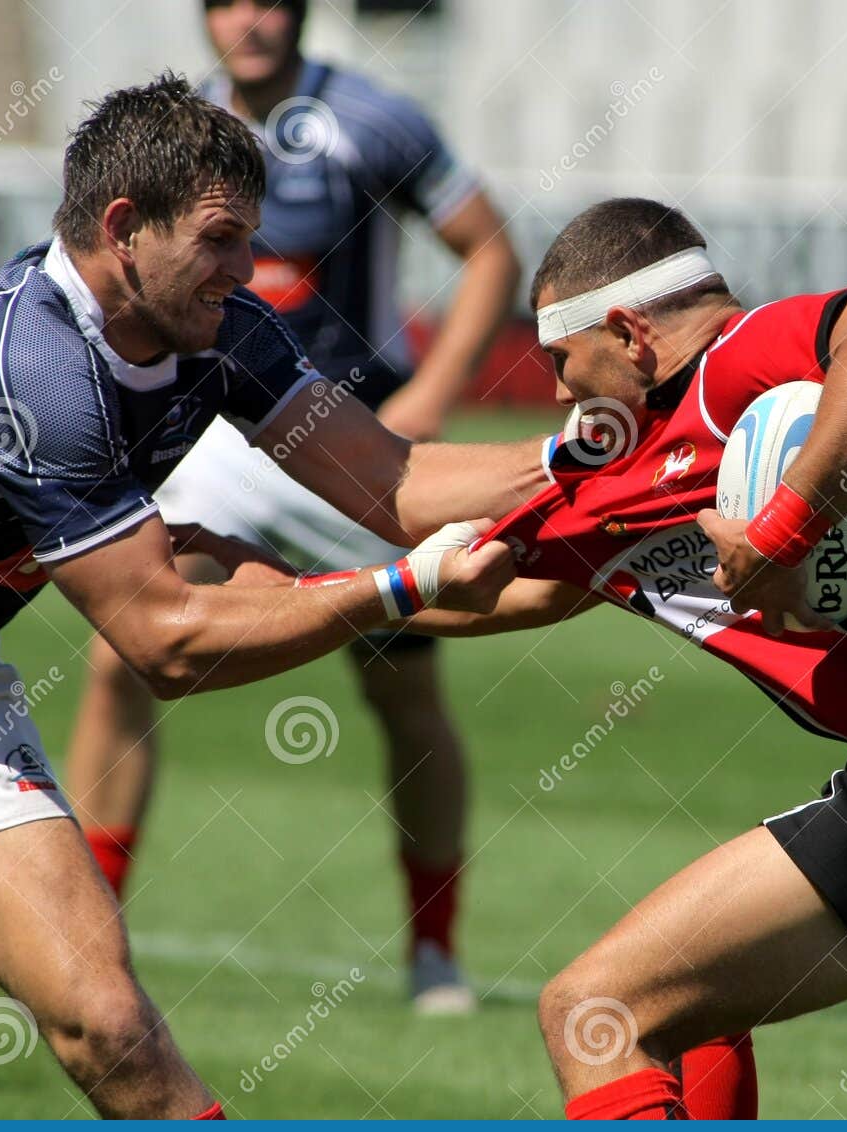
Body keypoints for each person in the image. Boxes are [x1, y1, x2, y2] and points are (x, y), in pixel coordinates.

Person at [0, 72, 547, 1117]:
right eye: (219, 238)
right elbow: (164, 642)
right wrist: (398, 589)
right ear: (124, 227)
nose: (245, 267)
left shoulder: (225, 334)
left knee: (115, 1032)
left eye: (249, 237)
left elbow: (394, 483)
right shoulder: (23, 363)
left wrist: (605, 455)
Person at [396, 198, 847, 1118]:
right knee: (683, 1008)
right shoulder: (656, 456)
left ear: (628, 330)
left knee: (594, 1011)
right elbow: (525, 589)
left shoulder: (751, 358)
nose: (556, 392)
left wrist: (781, 531)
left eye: (560, 363)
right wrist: (352, 605)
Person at [68, 0, 521, 1013]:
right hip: (226, 445)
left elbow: (491, 249)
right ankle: (84, 945)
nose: (252, 18)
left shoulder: (371, 122)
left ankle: (436, 954)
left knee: (402, 698)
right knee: (121, 656)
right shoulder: (180, 137)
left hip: (346, 447)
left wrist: (435, 392)